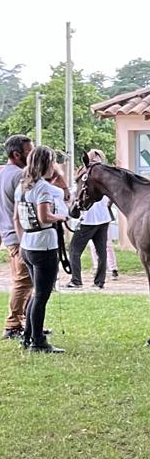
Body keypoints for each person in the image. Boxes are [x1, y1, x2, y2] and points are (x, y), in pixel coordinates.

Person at [14, 146, 68, 353]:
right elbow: (45, 217)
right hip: (44, 244)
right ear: (46, 163)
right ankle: (37, 341)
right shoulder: (42, 188)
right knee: (41, 296)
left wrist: (21, 242)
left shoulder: (23, 187)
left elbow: (18, 219)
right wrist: (61, 217)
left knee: (36, 293)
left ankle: (28, 336)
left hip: (28, 243)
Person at [2, 135, 34, 340]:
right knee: (23, 282)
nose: (32, 157)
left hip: (9, 235)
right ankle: (13, 325)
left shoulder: (4, 173)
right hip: (19, 237)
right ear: (17, 154)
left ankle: (27, 322)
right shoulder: (19, 176)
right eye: (29, 152)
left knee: (28, 281)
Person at [69, 149, 114, 289]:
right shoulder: (105, 175)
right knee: (102, 251)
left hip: (88, 219)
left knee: (74, 249)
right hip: (103, 218)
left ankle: (76, 280)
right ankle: (99, 282)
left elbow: (78, 191)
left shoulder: (85, 174)